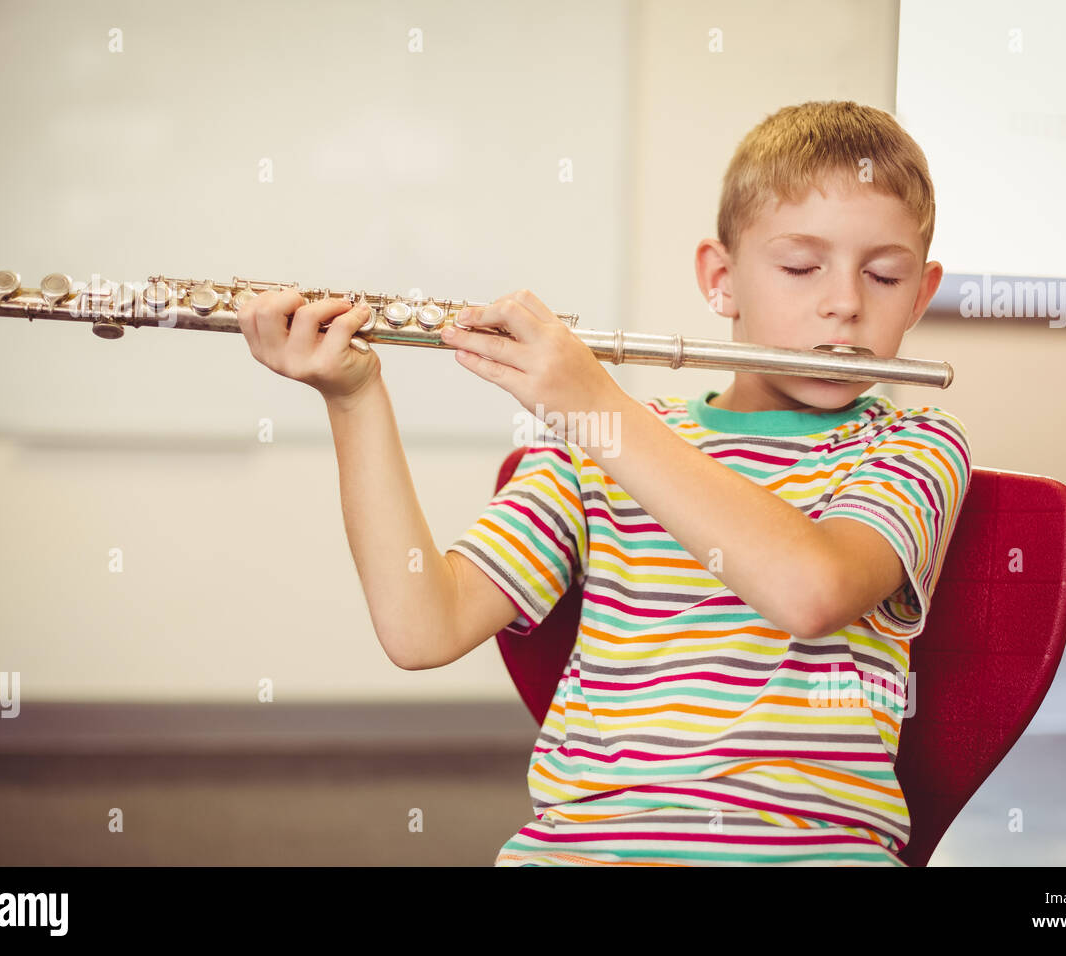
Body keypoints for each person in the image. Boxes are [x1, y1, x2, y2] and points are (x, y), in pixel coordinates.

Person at [237, 100, 972, 866]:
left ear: (920, 295)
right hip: (585, 851)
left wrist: (598, 408)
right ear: (722, 280)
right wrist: (354, 399)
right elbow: (423, 628)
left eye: (883, 275)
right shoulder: (596, 450)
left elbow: (810, 591)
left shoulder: (914, 445)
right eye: (799, 267)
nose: (845, 303)